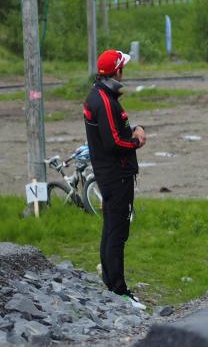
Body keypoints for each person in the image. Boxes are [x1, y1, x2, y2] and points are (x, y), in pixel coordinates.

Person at [84, 50, 148, 310]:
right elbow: (114, 142)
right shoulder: (105, 101)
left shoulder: (100, 94)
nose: (125, 71)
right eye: (123, 67)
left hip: (109, 174)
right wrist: (137, 141)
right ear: (116, 71)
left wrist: (134, 127)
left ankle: (111, 284)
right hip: (116, 176)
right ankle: (119, 290)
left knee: (110, 229)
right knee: (117, 234)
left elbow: (114, 131)